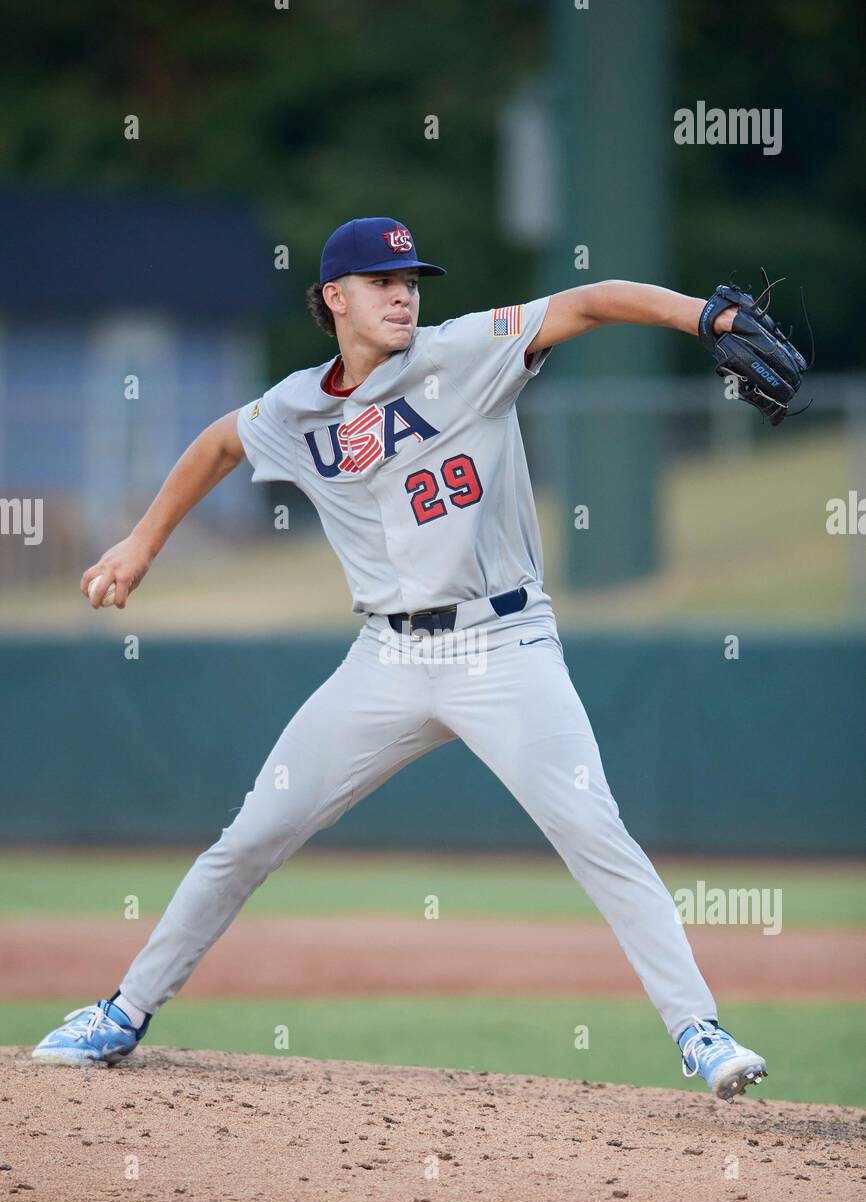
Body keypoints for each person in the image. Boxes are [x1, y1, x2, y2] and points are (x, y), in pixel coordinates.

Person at [32, 216, 767, 1102]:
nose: (405, 295)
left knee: (593, 832)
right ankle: (122, 1012)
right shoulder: (299, 407)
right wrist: (142, 543)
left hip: (505, 646)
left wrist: (703, 319)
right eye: (385, 282)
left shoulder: (464, 352)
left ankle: (699, 1030)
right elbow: (223, 441)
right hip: (385, 657)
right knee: (253, 834)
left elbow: (588, 302)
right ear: (335, 298)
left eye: (413, 280)